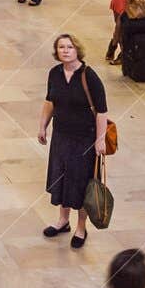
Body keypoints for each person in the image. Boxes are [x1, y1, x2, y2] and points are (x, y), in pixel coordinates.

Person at [38, 34, 108, 249]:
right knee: (61, 178)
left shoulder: (89, 76)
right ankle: (63, 220)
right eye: (61, 47)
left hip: (84, 139)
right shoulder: (55, 73)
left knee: (81, 183)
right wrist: (43, 125)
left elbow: (102, 112)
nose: (65, 50)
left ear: (77, 50)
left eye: (69, 47)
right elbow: (50, 101)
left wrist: (100, 140)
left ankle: (80, 227)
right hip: (61, 136)